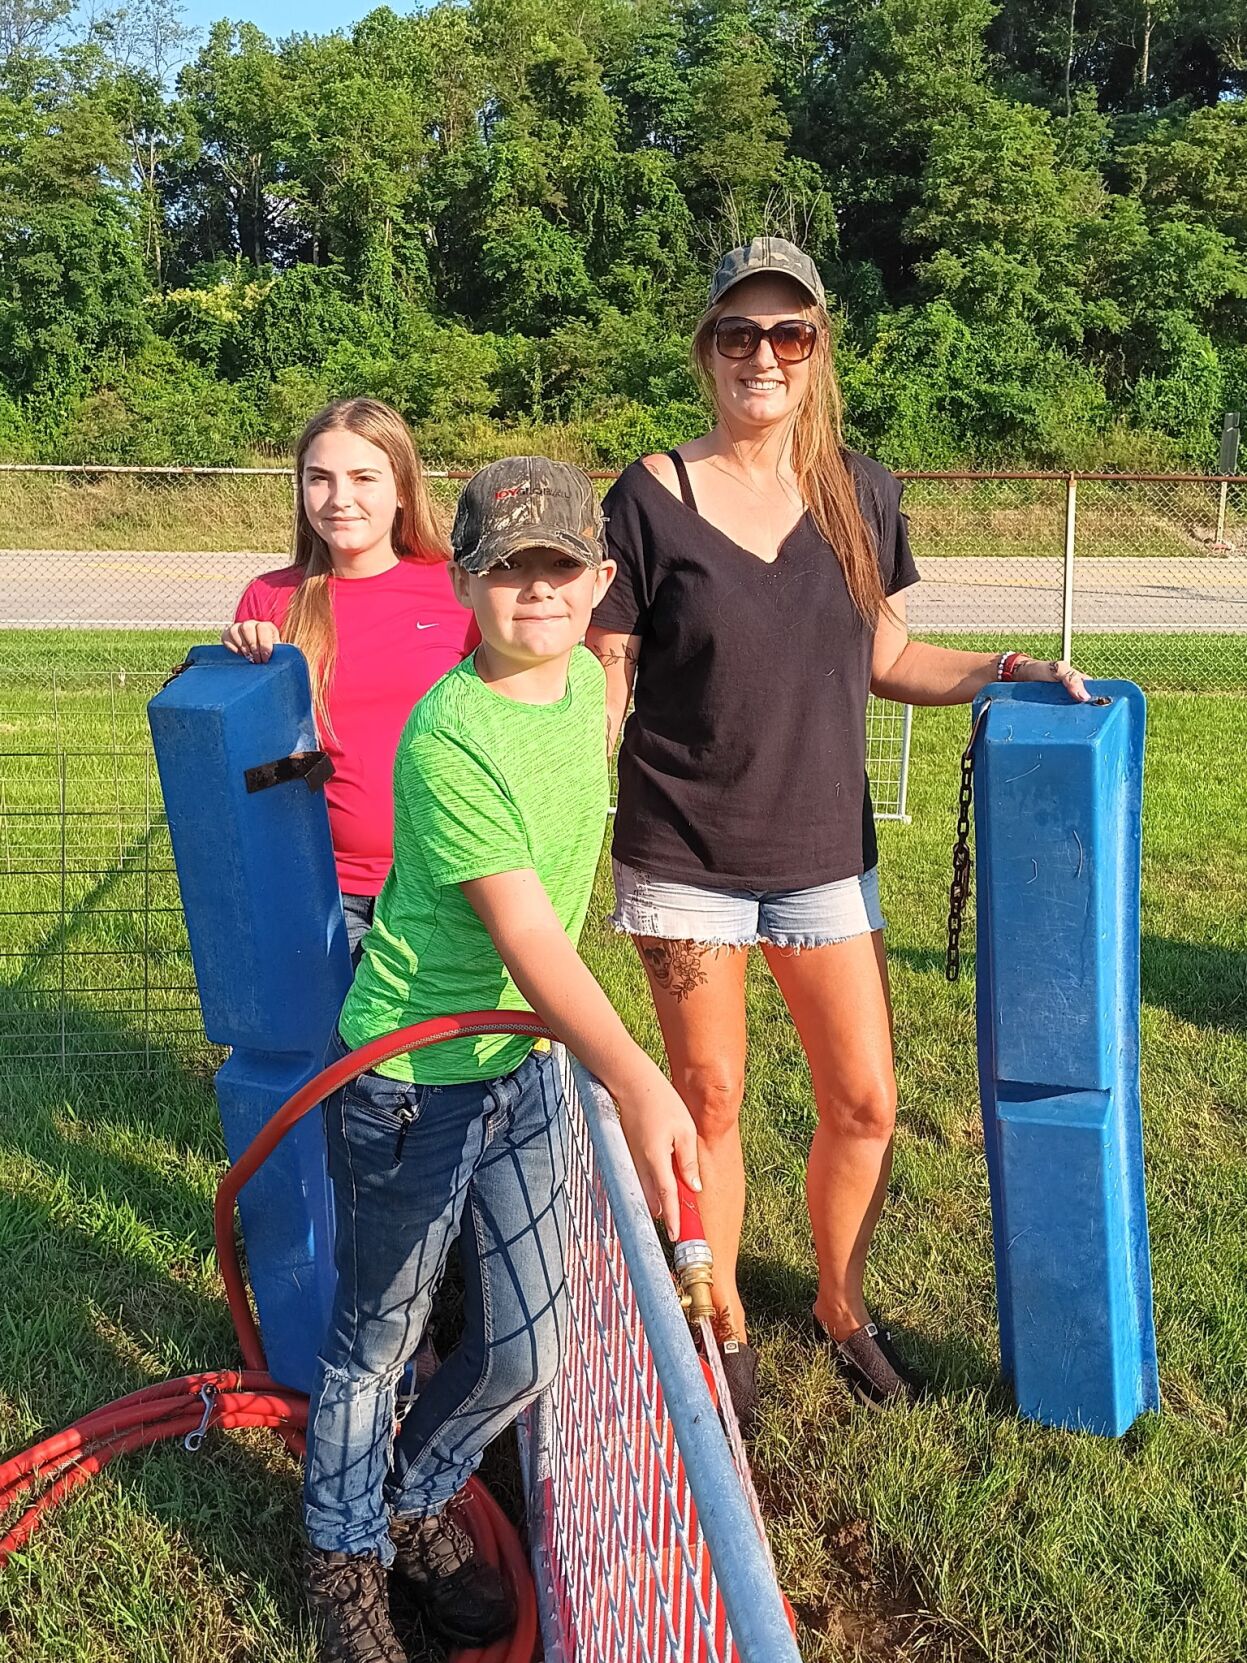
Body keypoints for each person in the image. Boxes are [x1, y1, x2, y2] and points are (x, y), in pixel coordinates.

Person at [586, 236, 1090, 1423]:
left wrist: (1007, 668)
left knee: (863, 1100)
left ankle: (840, 1303)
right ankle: (722, 1326)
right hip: (683, 859)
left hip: (822, 859)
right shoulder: (647, 493)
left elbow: (889, 658)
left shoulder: (862, 491)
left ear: (816, 353)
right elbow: (607, 673)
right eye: (737, 335)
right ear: (704, 351)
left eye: (788, 334)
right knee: (706, 1101)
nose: (761, 356)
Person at [300, 457, 701, 1663]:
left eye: (559, 568)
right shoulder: (445, 739)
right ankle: (341, 1550)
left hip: (523, 1069)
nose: (537, 591)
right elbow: (528, 939)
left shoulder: (586, 682)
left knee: (529, 1340)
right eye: (507, 568)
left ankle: (421, 1497)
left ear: (598, 583)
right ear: (464, 581)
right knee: (379, 1337)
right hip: (411, 1081)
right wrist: (637, 1074)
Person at [223, 398, 477, 959]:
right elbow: (252, 775)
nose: (340, 499)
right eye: (320, 479)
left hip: (450, 880)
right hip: (325, 888)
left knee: (455, 1043)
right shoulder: (271, 601)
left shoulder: (459, 589)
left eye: (364, 477)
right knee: (355, 1044)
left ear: (402, 487)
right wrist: (235, 674)